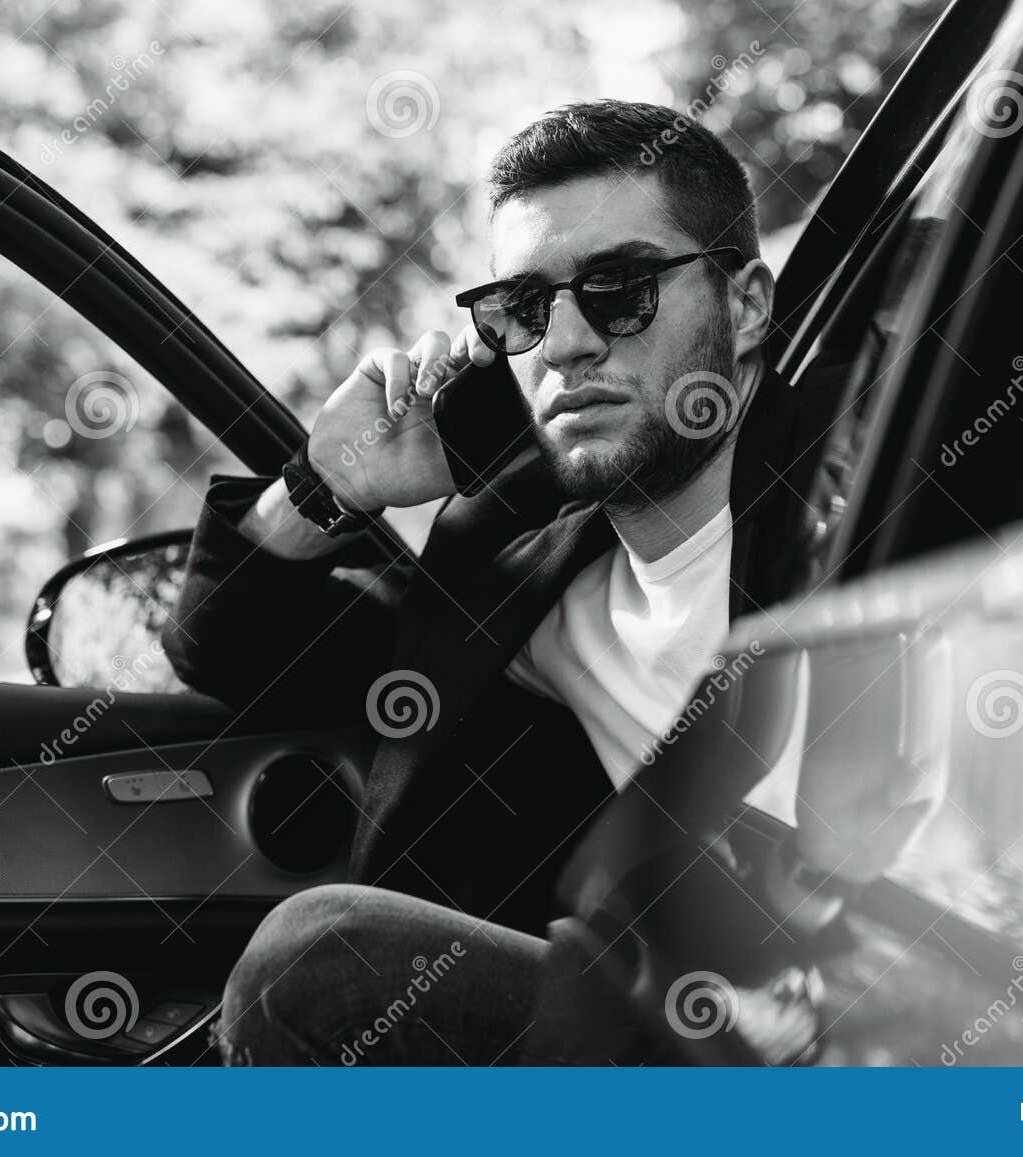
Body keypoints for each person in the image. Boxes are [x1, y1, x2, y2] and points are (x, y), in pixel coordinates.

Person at [164, 99, 813, 1065]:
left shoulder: (866, 500)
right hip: (679, 1041)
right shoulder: (519, 558)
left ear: (747, 305)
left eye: (621, 288)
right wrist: (331, 483)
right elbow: (228, 645)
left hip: (886, 1040)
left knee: (320, 962)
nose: (565, 343)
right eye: (525, 308)